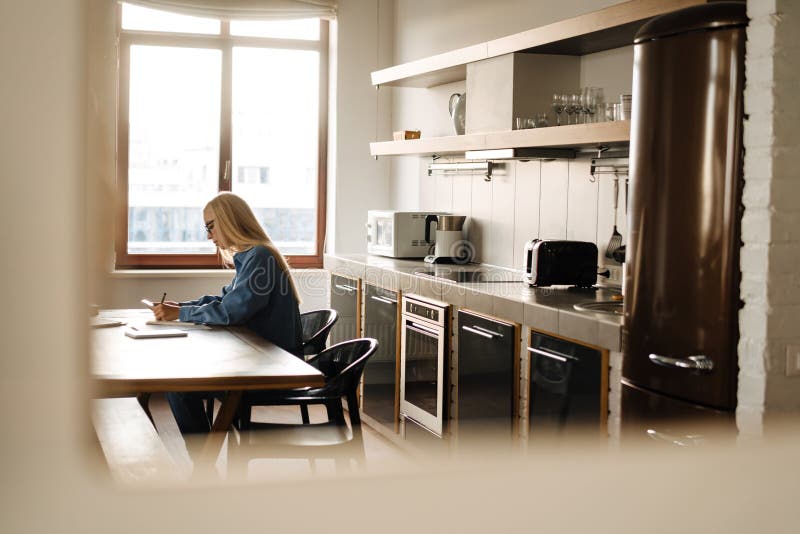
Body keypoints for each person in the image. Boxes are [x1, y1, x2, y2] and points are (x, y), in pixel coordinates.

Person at [152, 192, 303, 434]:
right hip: (260, 360)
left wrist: (181, 314)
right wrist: (180, 308)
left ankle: (203, 462)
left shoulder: (260, 256)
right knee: (180, 379)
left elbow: (231, 311)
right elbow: (225, 300)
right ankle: (205, 458)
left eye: (211, 227)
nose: (209, 236)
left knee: (178, 385)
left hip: (272, 368)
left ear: (229, 220)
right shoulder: (253, 256)